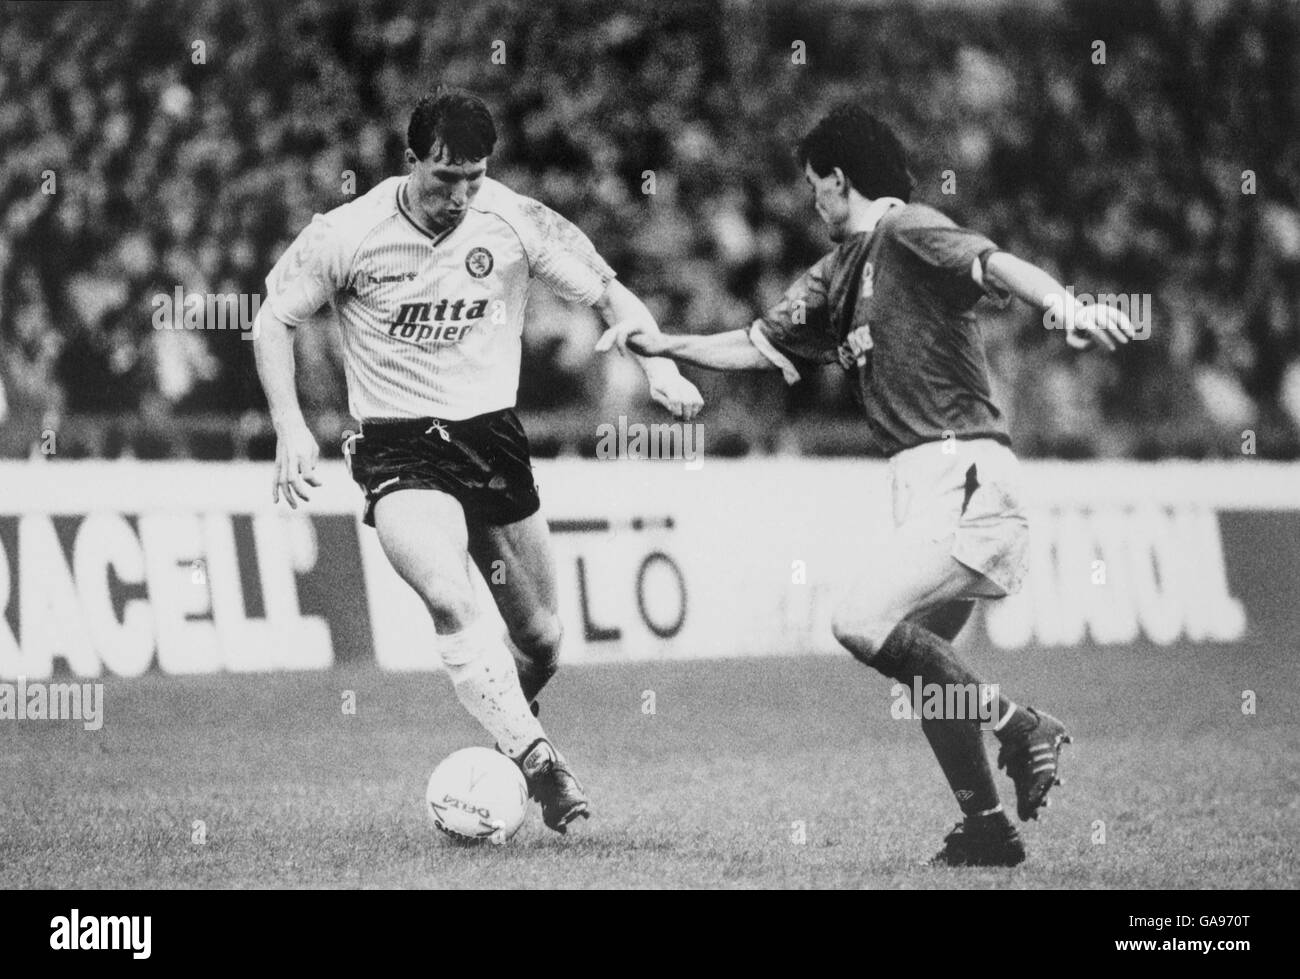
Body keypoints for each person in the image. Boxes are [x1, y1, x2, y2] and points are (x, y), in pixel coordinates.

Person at [598, 104, 1134, 865]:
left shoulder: (908, 229)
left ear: (839, 180)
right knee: (921, 665)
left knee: (857, 621)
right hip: (923, 485)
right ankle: (985, 827)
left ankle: (1020, 724)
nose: (810, 200)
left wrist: (1065, 305)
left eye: (814, 185)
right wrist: (664, 344)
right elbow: (757, 344)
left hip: (966, 473)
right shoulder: (833, 274)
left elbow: (993, 262)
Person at [253, 87, 703, 834]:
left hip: (490, 439)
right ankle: (542, 767)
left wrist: (656, 364)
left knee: (543, 639)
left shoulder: (517, 219)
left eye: (473, 177)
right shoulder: (347, 232)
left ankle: (508, 738)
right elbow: (272, 320)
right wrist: (290, 426)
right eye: (443, 179)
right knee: (448, 594)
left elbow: (615, 294)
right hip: (399, 445)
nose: (459, 196)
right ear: (409, 162)